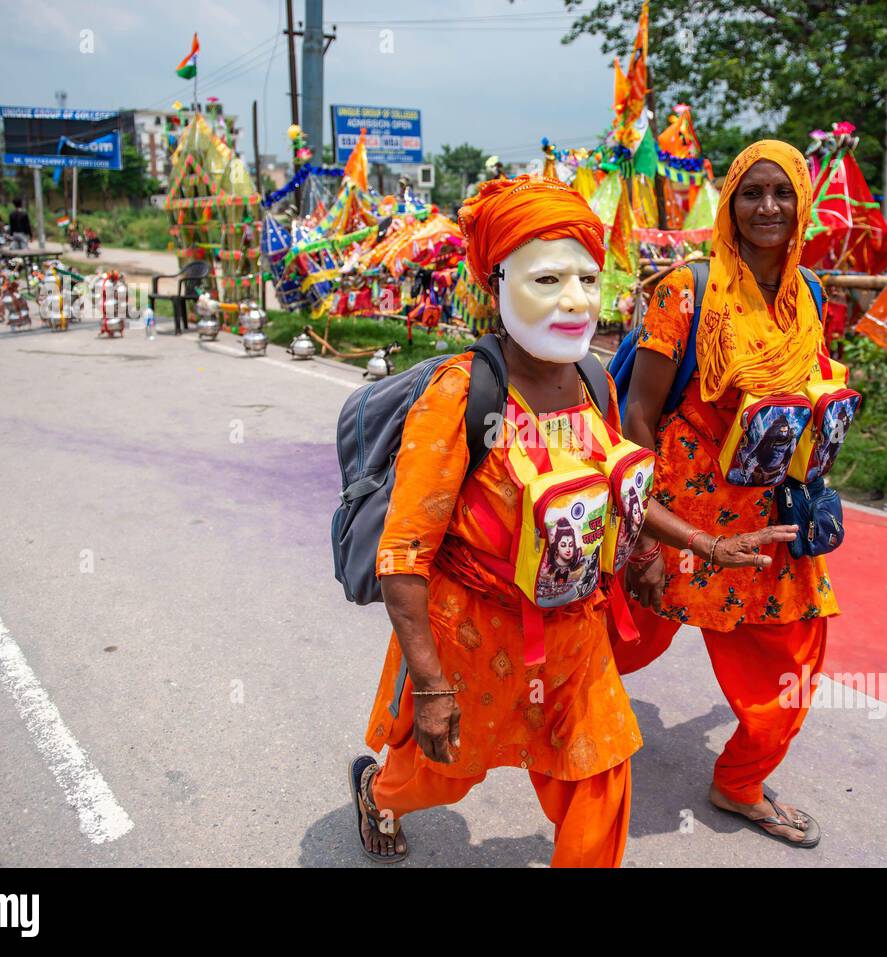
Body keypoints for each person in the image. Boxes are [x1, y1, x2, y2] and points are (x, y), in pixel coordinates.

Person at [351, 175, 650, 868]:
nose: (575, 299)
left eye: (587, 276)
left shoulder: (597, 381)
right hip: (471, 644)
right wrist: (428, 686)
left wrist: (699, 541)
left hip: (578, 639)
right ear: (495, 285)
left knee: (600, 777)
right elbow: (402, 554)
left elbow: (609, 487)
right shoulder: (461, 394)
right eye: (547, 278)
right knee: (434, 778)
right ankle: (378, 792)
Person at [617, 140, 842, 848]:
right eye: (752, 192)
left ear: (801, 202)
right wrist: (646, 537)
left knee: (798, 657)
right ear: (731, 202)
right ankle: (486, 697)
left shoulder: (809, 294)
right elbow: (638, 415)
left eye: (782, 193)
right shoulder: (685, 288)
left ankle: (740, 782)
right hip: (679, 515)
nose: (767, 207)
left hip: (772, 516)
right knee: (605, 637)